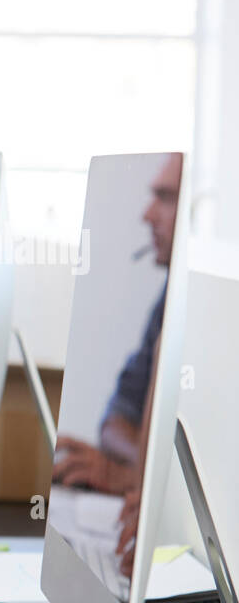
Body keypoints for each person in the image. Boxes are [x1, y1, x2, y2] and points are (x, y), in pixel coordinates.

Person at [53, 152, 181, 496]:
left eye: (167, 198)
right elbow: (116, 419)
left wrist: (137, 477)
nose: (147, 214)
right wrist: (140, 471)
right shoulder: (170, 295)